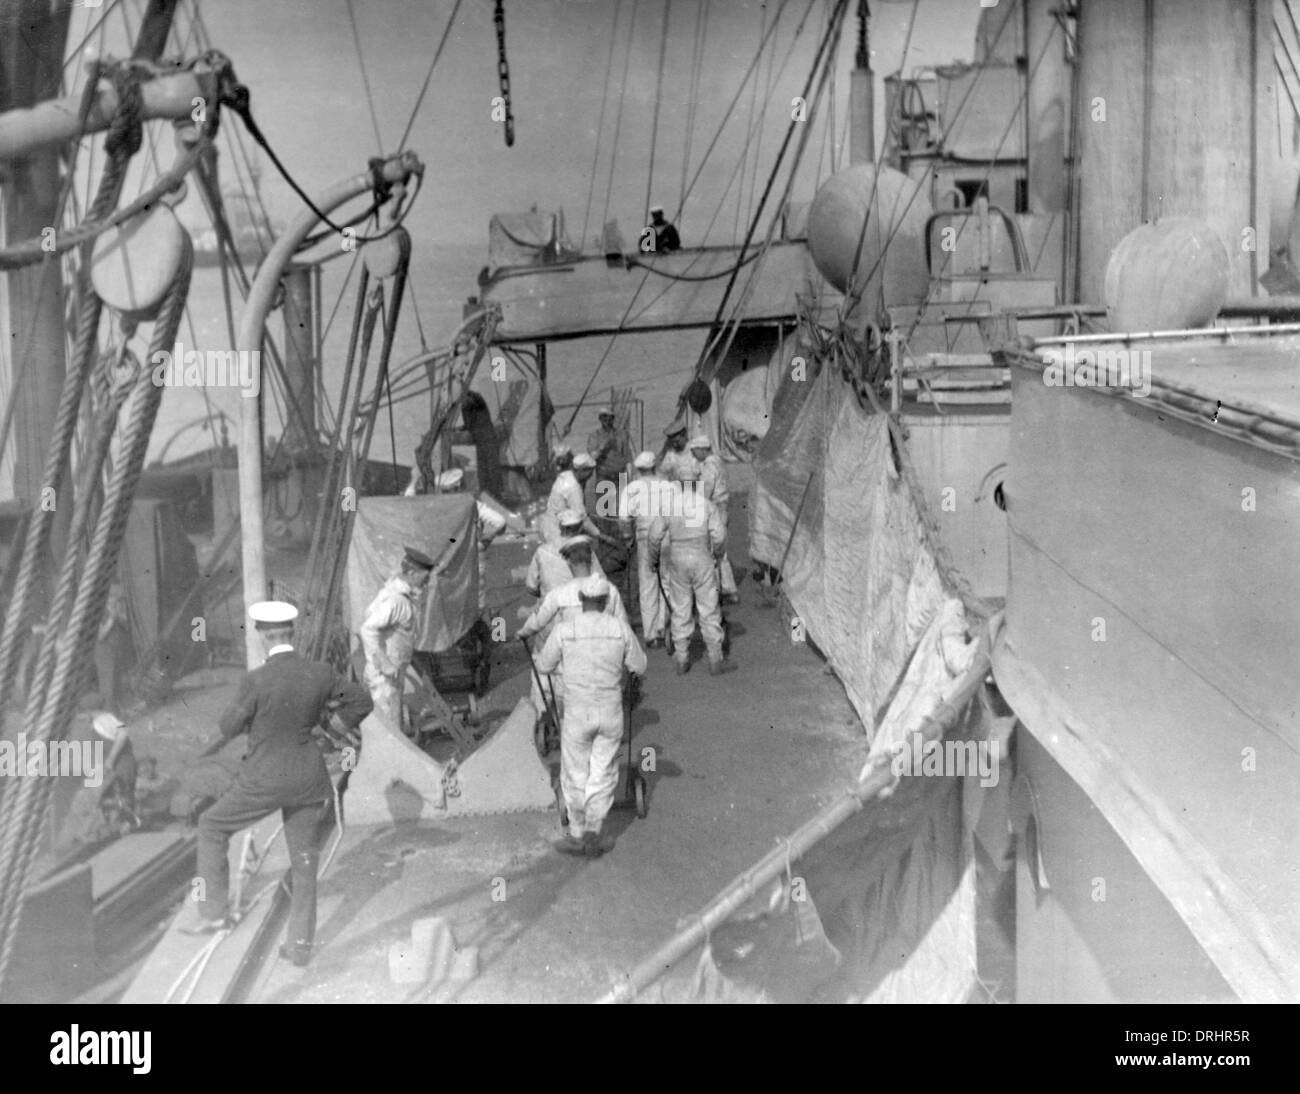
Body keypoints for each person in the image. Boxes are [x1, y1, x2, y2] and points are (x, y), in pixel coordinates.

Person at [186, 602, 373, 967]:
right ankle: (301, 945)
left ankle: (215, 913)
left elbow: (228, 728)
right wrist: (327, 732)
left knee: (210, 825)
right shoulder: (320, 672)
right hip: (307, 777)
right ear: (291, 633)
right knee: (304, 861)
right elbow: (361, 701)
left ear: (260, 635)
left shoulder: (255, 680)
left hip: (263, 780)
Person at [535, 574, 646, 856]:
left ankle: (576, 834)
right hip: (610, 709)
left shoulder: (564, 629)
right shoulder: (619, 628)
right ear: (606, 600)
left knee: (574, 771)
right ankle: (594, 831)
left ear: (582, 600)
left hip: (577, 711)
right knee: (603, 770)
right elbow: (640, 665)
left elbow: (545, 665)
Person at [521, 534, 613, 718]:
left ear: (569, 562)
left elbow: (534, 600)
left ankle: (544, 713)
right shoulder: (606, 589)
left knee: (544, 671)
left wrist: (523, 631)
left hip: (557, 639)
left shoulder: (558, 591)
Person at [649, 480, 731, 676]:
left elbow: (654, 535)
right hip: (701, 555)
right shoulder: (706, 505)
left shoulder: (670, 505)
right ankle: (714, 657)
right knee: (709, 606)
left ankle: (682, 656)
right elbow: (719, 535)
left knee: (680, 607)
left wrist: (653, 558)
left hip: (678, 557)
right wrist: (718, 555)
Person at [359, 546, 435, 731]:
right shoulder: (397, 600)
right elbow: (367, 629)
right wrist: (384, 663)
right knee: (389, 729)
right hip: (385, 675)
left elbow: (369, 613)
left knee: (392, 722)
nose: (426, 584)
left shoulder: (395, 591)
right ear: (411, 573)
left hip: (391, 672)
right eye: (423, 579)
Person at [618, 450, 672, 647]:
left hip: (645, 537)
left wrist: (627, 539)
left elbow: (624, 520)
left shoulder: (632, 488)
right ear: (654, 466)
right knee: (666, 581)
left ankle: (650, 634)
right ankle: (663, 625)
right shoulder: (668, 486)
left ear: (638, 469)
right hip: (667, 535)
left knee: (647, 583)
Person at [437, 467, 508, 616]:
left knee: (456, 600)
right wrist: (486, 538)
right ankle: (494, 634)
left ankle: (475, 635)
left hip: (453, 557)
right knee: (479, 599)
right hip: (475, 551)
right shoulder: (473, 504)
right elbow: (500, 522)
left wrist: (452, 541)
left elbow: (449, 537)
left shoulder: (442, 508)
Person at [689, 435, 739, 603]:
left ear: (702, 449)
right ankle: (727, 588)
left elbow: (704, 492)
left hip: (715, 508)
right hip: (722, 506)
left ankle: (718, 590)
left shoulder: (709, 467)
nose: (693, 455)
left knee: (713, 550)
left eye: (695, 451)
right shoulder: (717, 461)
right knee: (720, 549)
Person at [526, 509, 605, 600]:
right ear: (580, 528)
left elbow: (531, 587)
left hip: (550, 609)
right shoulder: (587, 551)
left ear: (560, 527)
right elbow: (602, 582)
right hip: (579, 608)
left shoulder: (541, 551)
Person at [544, 451, 617, 548]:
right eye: (590, 473)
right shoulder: (573, 488)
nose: (590, 477)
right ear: (582, 470)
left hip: (551, 524)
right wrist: (604, 537)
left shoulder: (566, 475)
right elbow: (582, 518)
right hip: (560, 531)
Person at [586, 405, 633, 488]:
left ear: (613, 418)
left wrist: (630, 478)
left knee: (622, 500)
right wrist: (604, 445)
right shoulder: (595, 435)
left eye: (609, 417)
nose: (607, 420)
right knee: (604, 501)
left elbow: (627, 457)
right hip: (604, 477)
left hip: (621, 475)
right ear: (600, 419)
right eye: (604, 417)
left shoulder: (621, 434)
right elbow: (593, 456)